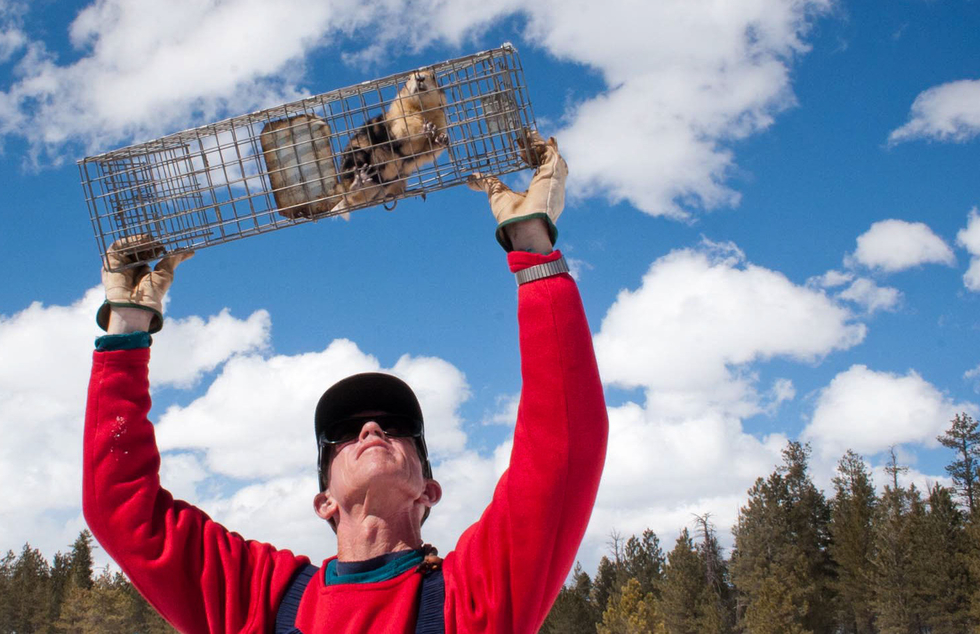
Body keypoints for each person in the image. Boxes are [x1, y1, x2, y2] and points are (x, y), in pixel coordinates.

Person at [82, 132, 608, 633]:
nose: (372, 429)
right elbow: (121, 510)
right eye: (344, 432)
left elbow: (562, 448)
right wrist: (126, 327)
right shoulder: (262, 602)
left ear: (429, 491)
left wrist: (532, 248)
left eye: (396, 426)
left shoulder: (472, 599)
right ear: (324, 503)